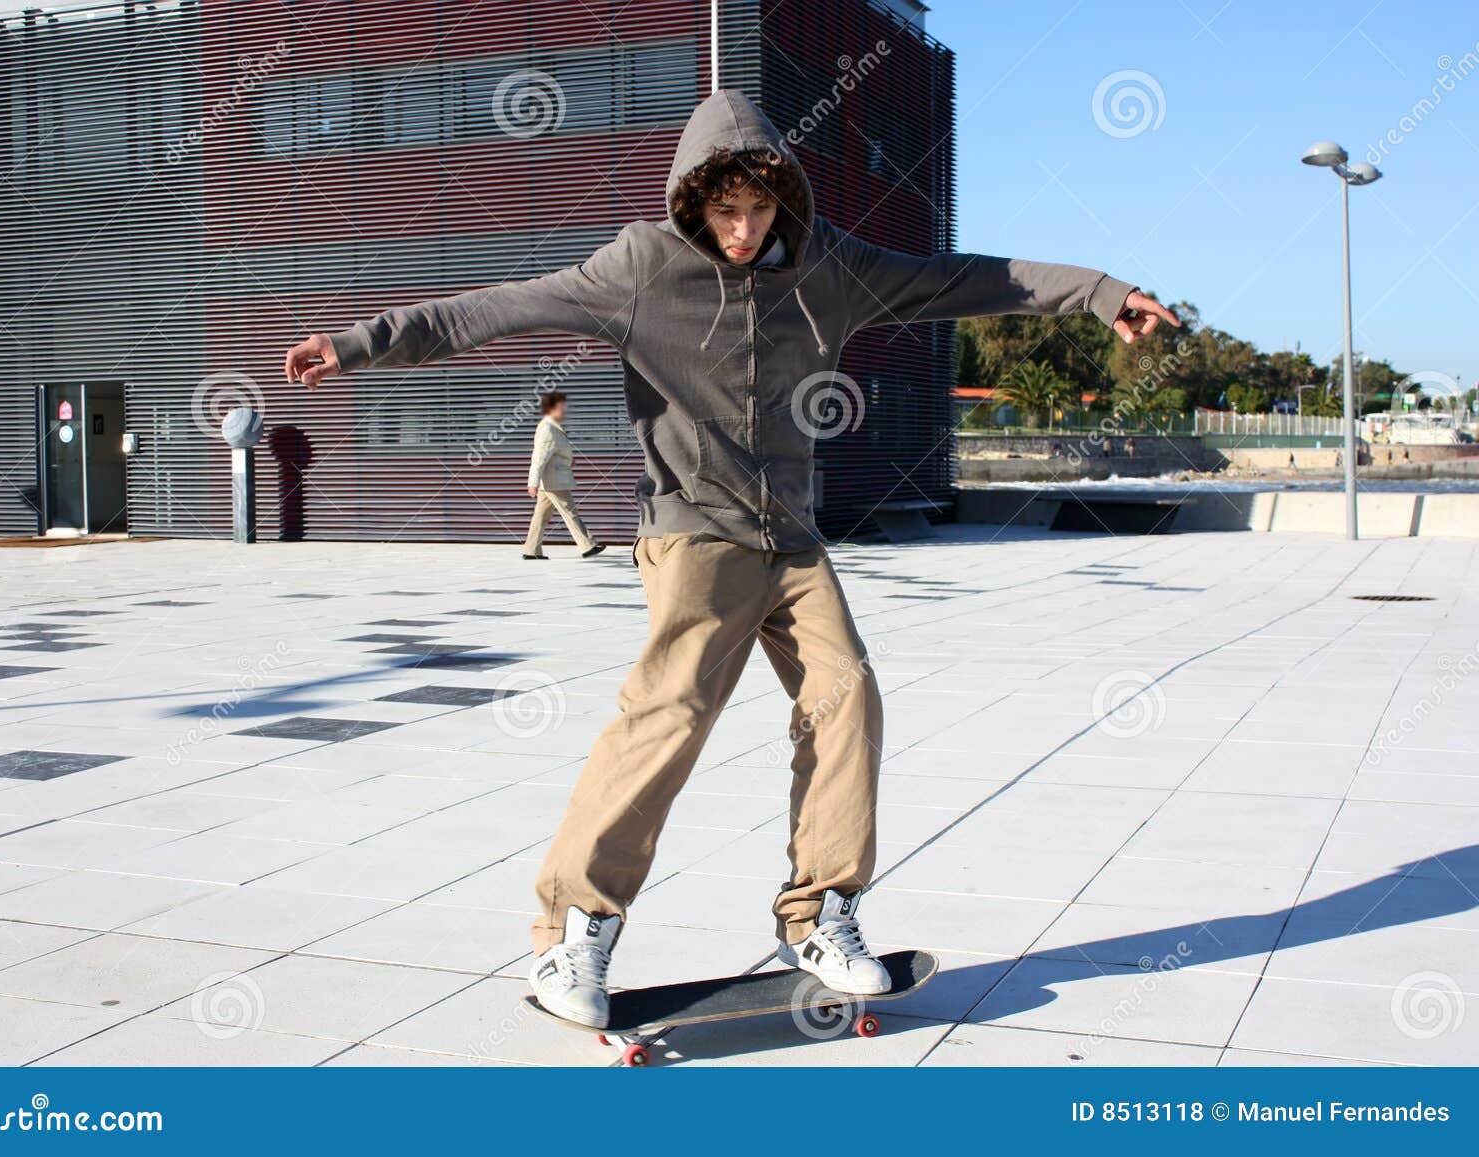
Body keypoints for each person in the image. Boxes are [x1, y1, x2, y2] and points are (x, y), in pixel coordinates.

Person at [283, 89, 1179, 1029]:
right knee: (670, 714)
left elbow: (963, 277)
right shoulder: (639, 267)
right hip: (692, 531)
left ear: (781, 199)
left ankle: (821, 913)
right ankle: (571, 931)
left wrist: (1099, 291)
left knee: (849, 693)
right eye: (725, 212)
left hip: (790, 537)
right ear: (692, 201)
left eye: (758, 210)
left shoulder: (831, 265)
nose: (744, 230)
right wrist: (357, 345)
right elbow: (502, 307)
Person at [522, 391, 604, 560]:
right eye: (561, 406)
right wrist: (533, 482)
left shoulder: (553, 426)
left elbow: (555, 453)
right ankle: (587, 545)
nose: (565, 409)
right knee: (570, 512)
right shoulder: (547, 428)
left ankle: (531, 550)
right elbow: (538, 458)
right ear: (550, 408)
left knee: (541, 517)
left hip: (552, 479)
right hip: (553, 481)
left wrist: (568, 460)